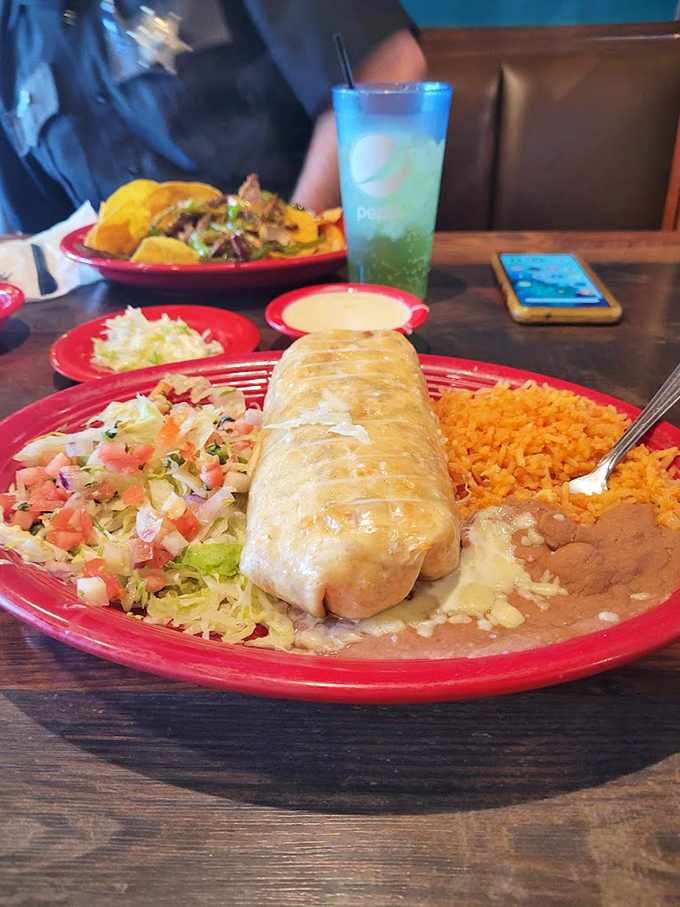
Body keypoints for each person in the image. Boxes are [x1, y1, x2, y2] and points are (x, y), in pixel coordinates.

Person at [0, 0, 425, 233]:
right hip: (118, 326)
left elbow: (388, 72)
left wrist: (290, 243)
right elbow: (34, 240)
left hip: (305, 299)